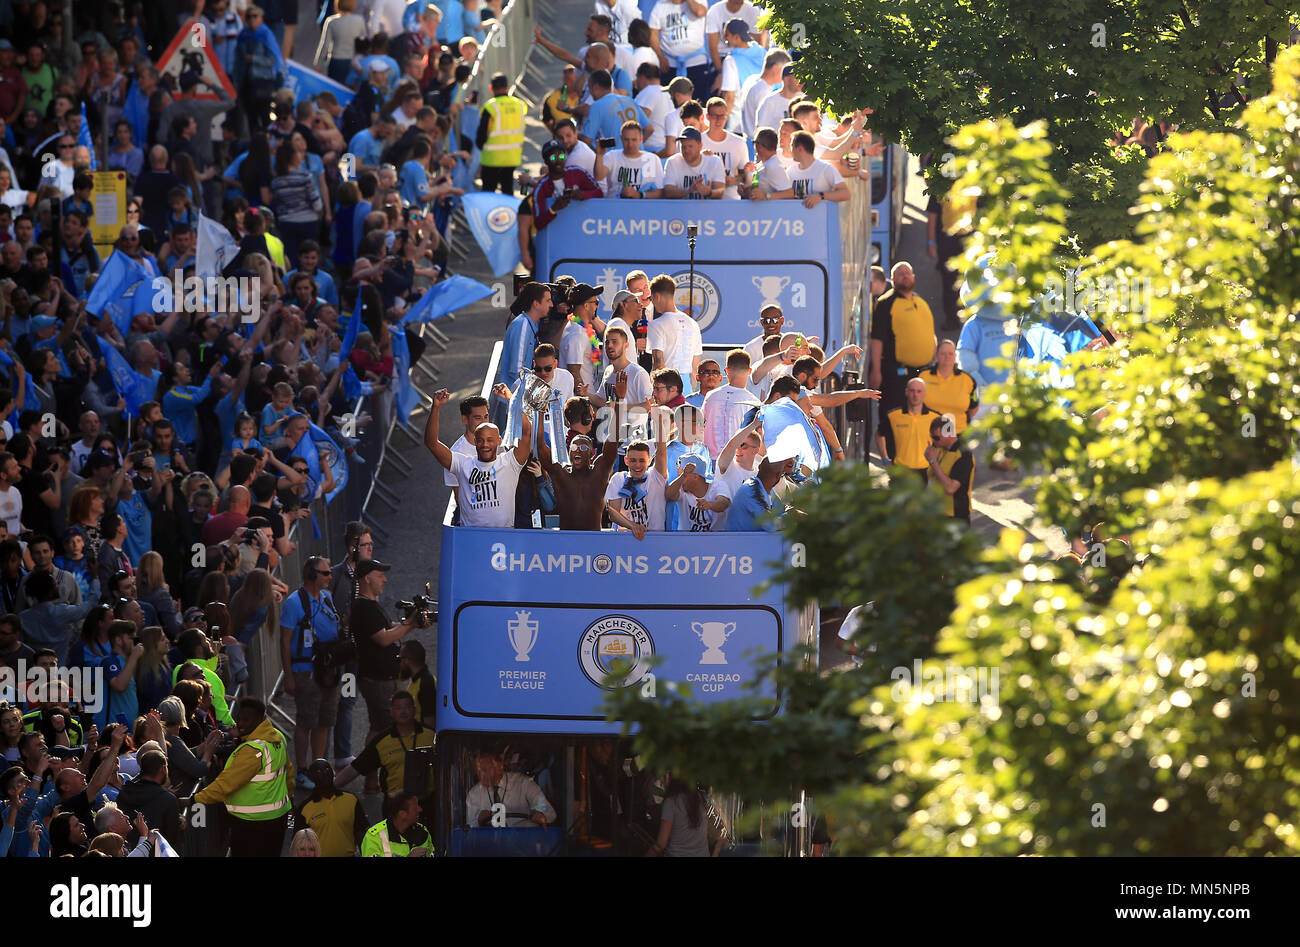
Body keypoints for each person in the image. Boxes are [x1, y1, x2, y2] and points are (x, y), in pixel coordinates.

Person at [347, 560, 430, 765]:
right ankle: (370, 773)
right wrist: (410, 626)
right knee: (383, 728)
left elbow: (390, 627)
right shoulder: (364, 607)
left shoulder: (371, 605)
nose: (384, 579)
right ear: (367, 578)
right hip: (377, 679)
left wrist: (412, 622)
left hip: (385, 677)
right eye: (380, 575)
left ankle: (372, 774)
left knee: (381, 726)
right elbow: (384, 638)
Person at [189, 697, 293, 857]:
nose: (240, 724)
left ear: (259, 720)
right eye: (239, 719)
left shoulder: (252, 751)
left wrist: (194, 800)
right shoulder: (277, 736)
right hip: (277, 820)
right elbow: (289, 774)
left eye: (246, 720)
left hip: (251, 826)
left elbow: (226, 784)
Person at [425, 389, 532, 528]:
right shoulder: (462, 463)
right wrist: (436, 407)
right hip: (472, 537)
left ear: (499, 441)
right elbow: (432, 444)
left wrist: (511, 400)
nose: (485, 445)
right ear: (475, 441)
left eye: (490, 440)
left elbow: (526, 431)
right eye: (480, 440)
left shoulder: (510, 462)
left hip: (504, 538)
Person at [280, 556, 342, 790]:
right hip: (305, 670)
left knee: (324, 720)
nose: (329, 577)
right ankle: (302, 770)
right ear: (312, 575)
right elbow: (284, 641)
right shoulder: (294, 603)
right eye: (325, 573)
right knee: (306, 721)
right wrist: (288, 675)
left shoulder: (326, 598)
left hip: (327, 669)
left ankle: (319, 767)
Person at [870, 261, 937, 452]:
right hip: (895, 373)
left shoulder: (920, 302)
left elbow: (929, 332)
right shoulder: (885, 304)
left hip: (922, 372)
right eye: (900, 274)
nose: (905, 276)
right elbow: (877, 339)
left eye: (908, 273)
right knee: (894, 416)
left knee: (920, 416)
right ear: (892, 280)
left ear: (914, 277)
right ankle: (893, 458)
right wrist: (876, 370)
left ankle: (919, 457)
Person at [534, 397, 621, 529]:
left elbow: (613, 441)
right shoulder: (561, 475)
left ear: (591, 453)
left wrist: (620, 400)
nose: (578, 451)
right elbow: (540, 446)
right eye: (574, 448)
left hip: (593, 542)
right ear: (569, 452)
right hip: (566, 543)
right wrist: (540, 411)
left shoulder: (599, 474)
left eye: (584, 448)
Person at [294, 759, 367, 857]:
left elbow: (361, 832)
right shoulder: (304, 809)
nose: (324, 773)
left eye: (327, 769)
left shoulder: (351, 800)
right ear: (311, 777)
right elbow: (300, 845)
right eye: (318, 771)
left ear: (333, 773)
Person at [466, 749, 556, 828]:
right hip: (491, 844)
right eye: (478, 771)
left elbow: (550, 814)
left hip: (524, 843)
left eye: (486, 770)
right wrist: (478, 820)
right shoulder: (474, 794)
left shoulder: (524, 784)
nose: (481, 775)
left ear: (499, 768)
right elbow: (468, 828)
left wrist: (540, 815)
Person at [605, 430, 669, 538]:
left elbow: (662, 451)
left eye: (642, 460)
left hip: (656, 541)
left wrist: (658, 419)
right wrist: (633, 526)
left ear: (649, 460)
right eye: (633, 460)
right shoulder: (618, 479)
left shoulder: (656, 477)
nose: (637, 465)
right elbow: (613, 513)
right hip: (626, 541)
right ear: (626, 461)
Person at [531, 139, 602, 231]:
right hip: (558, 234)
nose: (558, 161)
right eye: (553, 158)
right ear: (546, 161)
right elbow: (538, 223)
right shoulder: (540, 187)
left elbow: (600, 193)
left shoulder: (577, 172)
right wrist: (553, 208)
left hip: (583, 228)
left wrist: (582, 195)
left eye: (561, 156)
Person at [702, 349, 760, 458]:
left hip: (709, 460)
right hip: (736, 460)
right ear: (749, 371)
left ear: (727, 370)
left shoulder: (711, 396)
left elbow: (701, 425)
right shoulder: (754, 403)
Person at [878, 377, 942, 474]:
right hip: (900, 472)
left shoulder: (935, 418)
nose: (915, 395)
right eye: (912, 391)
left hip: (927, 472)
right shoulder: (893, 416)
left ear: (925, 393)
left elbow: (944, 443)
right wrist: (885, 459)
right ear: (906, 392)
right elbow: (879, 434)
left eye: (919, 391)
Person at [477, 73, 526, 194]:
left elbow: (482, 136)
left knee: (488, 193)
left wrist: (479, 145)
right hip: (512, 157)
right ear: (507, 87)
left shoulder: (490, 107)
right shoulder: (520, 105)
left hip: (491, 159)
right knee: (507, 191)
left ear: (491, 88)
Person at [918, 339, 979, 435]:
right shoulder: (923, 376)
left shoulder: (968, 380)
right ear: (936, 356)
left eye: (950, 354)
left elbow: (974, 407)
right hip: (927, 434)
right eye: (943, 354)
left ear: (955, 356)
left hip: (958, 436)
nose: (947, 357)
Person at [647, 773, 715, 856]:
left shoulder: (671, 803)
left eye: (667, 775)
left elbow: (660, 845)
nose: (663, 779)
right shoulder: (701, 798)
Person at [923, 416, 976, 523]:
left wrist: (933, 462)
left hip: (953, 516)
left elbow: (950, 488)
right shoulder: (938, 449)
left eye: (936, 437)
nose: (933, 440)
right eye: (931, 436)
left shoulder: (963, 454)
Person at [593, 121, 663, 198]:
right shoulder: (612, 156)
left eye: (634, 140)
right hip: (615, 205)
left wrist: (639, 195)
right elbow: (599, 177)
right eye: (626, 140)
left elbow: (661, 192)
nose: (630, 144)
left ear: (641, 139)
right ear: (621, 138)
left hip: (642, 207)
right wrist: (599, 155)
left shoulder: (652, 159)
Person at [726, 456, 794, 532]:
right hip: (737, 542)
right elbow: (770, 525)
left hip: (750, 541)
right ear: (778, 476)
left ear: (759, 467)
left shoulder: (766, 489)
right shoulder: (751, 490)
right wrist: (793, 517)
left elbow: (781, 510)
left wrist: (791, 512)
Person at [787, 131, 850, 207]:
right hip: (798, 218)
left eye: (791, 146)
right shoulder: (790, 172)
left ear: (800, 149)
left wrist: (821, 196)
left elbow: (846, 193)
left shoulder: (825, 169)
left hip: (821, 217)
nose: (790, 150)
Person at [362, 790, 433, 855]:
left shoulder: (422, 832)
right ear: (402, 814)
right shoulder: (374, 837)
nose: (420, 809)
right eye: (415, 808)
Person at [662, 127, 724, 199]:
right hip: (680, 209)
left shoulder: (715, 162)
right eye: (683, 147)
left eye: (690, 146)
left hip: (707, 209)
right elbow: (667, 192)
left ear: (700, 146)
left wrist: (709, 192)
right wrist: (688, 190)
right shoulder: (672, 162)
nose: (686, 150)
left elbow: (720, 192)